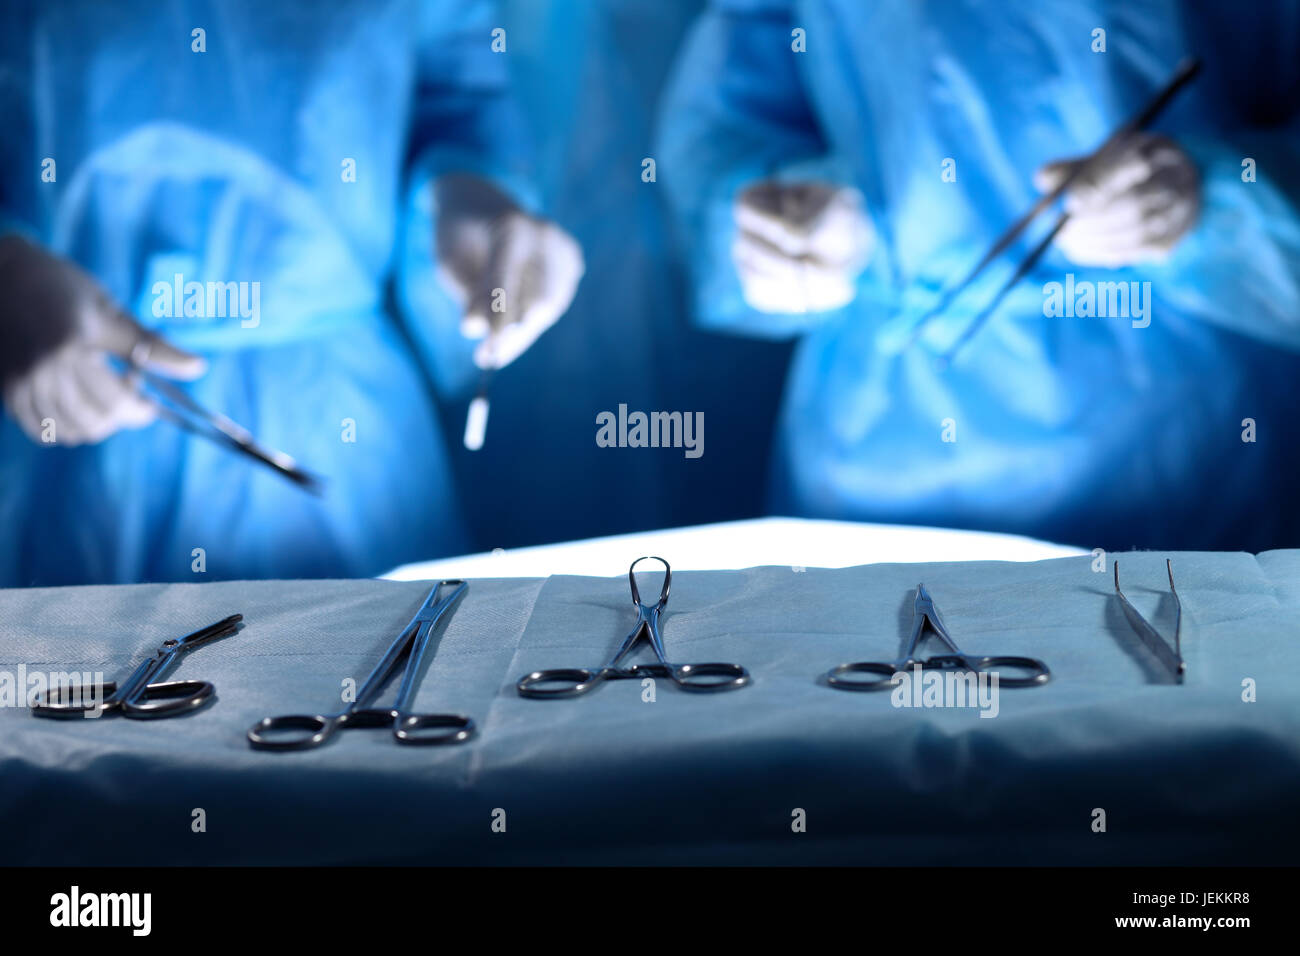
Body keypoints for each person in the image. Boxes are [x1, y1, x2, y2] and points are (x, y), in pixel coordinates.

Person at [656, 0, 1300, 551]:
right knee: (861, 679)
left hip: (1176, 437)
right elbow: (722, 136)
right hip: (882, 442)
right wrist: (782, 229)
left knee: (1185, 674)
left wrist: (1209, 201)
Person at [0, 0, 582, 584]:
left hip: (340, 419)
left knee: (379, 656)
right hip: (79, 401)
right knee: (88, 666)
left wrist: (470, 196)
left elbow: (454, 93)